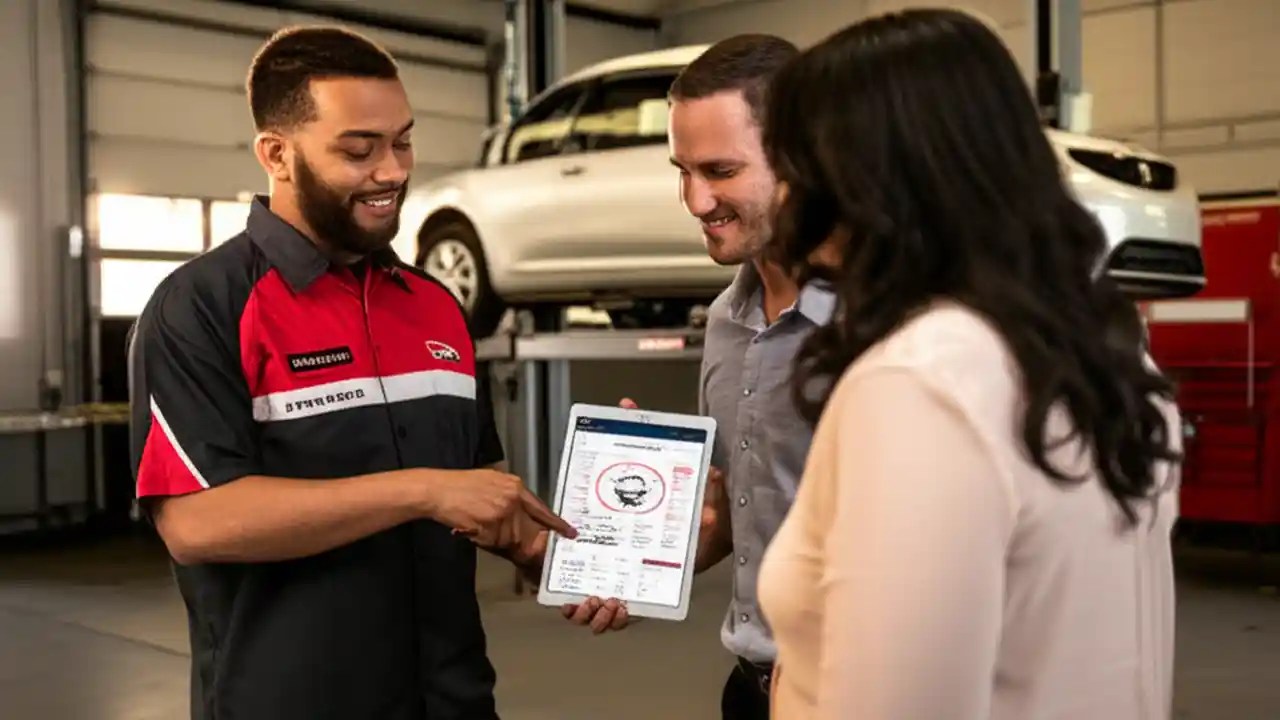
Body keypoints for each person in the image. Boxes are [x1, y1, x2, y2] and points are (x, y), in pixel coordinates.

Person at [127, 26, 575, 720]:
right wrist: (419, 491)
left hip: (452, 701)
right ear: (276, 154)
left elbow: (475, 499)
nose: (392, 170)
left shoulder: (436, 308)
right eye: (359, 150)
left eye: (402, 142)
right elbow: (197, 521)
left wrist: (566, 555)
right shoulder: (202, 307)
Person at [755, 9, 1183, 720]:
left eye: (796, 166)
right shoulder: (1103, 356)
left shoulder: (920, 387)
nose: (786, 197)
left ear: (862, 179)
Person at [562, 34, 830, 720]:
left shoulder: (886, 328)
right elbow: (746, 518)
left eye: (719, 170)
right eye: (681, 169)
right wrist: (643, 550)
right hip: (750, 688)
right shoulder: (726, 320)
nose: (694, 199)